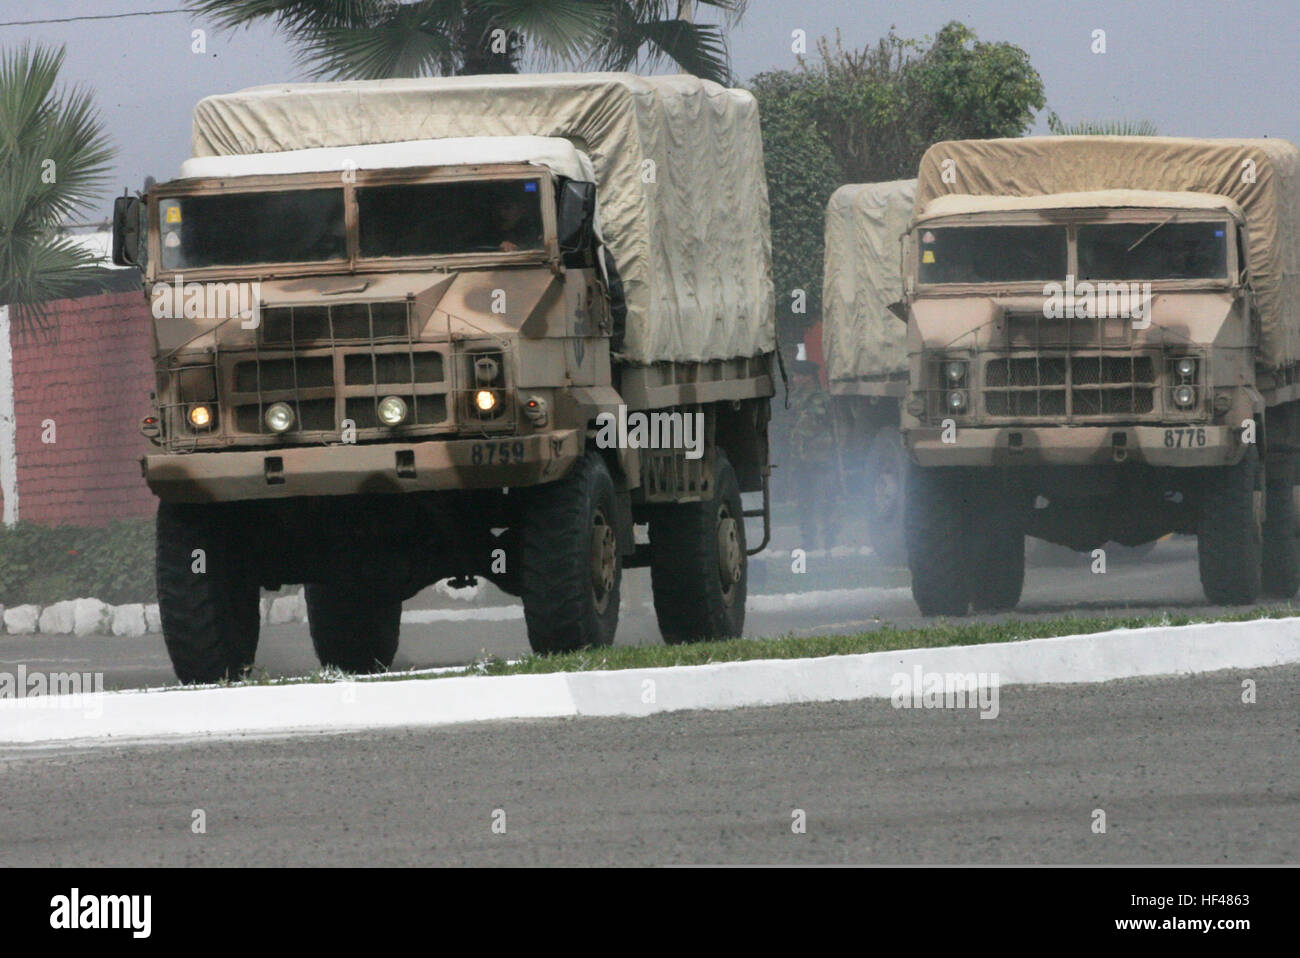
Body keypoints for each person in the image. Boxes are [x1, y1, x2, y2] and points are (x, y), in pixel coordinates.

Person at [786, 359, 839, 552]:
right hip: (802, 457)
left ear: (808, 377)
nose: (795, 379)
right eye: (794, 375)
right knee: (803, 502)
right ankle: (809, 541)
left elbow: (811, 421)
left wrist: (798, 436)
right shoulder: (796, 397)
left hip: (820, 457)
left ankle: (829, 541)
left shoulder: (818, 397)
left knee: (826, 500)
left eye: (798, 375)